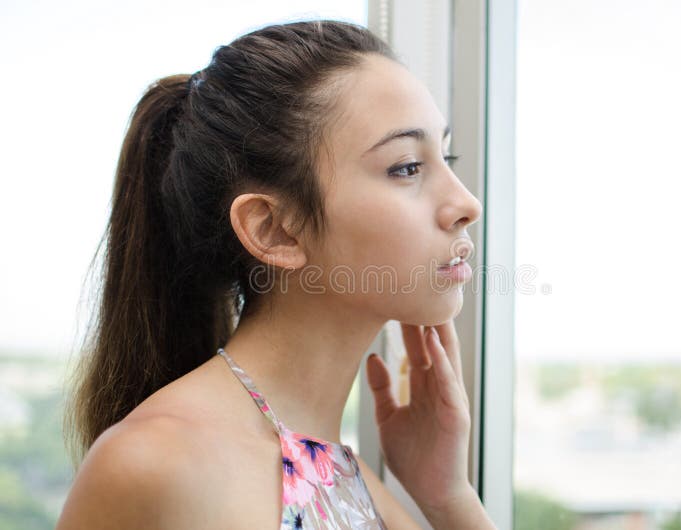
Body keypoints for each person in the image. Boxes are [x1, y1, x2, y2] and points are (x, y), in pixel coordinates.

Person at [55, 19, 495, 530]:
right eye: (407, 167)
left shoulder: (355, 487)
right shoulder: (157, 465)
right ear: (273, 229)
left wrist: (448, 496)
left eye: (446, 156)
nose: (467, 203)